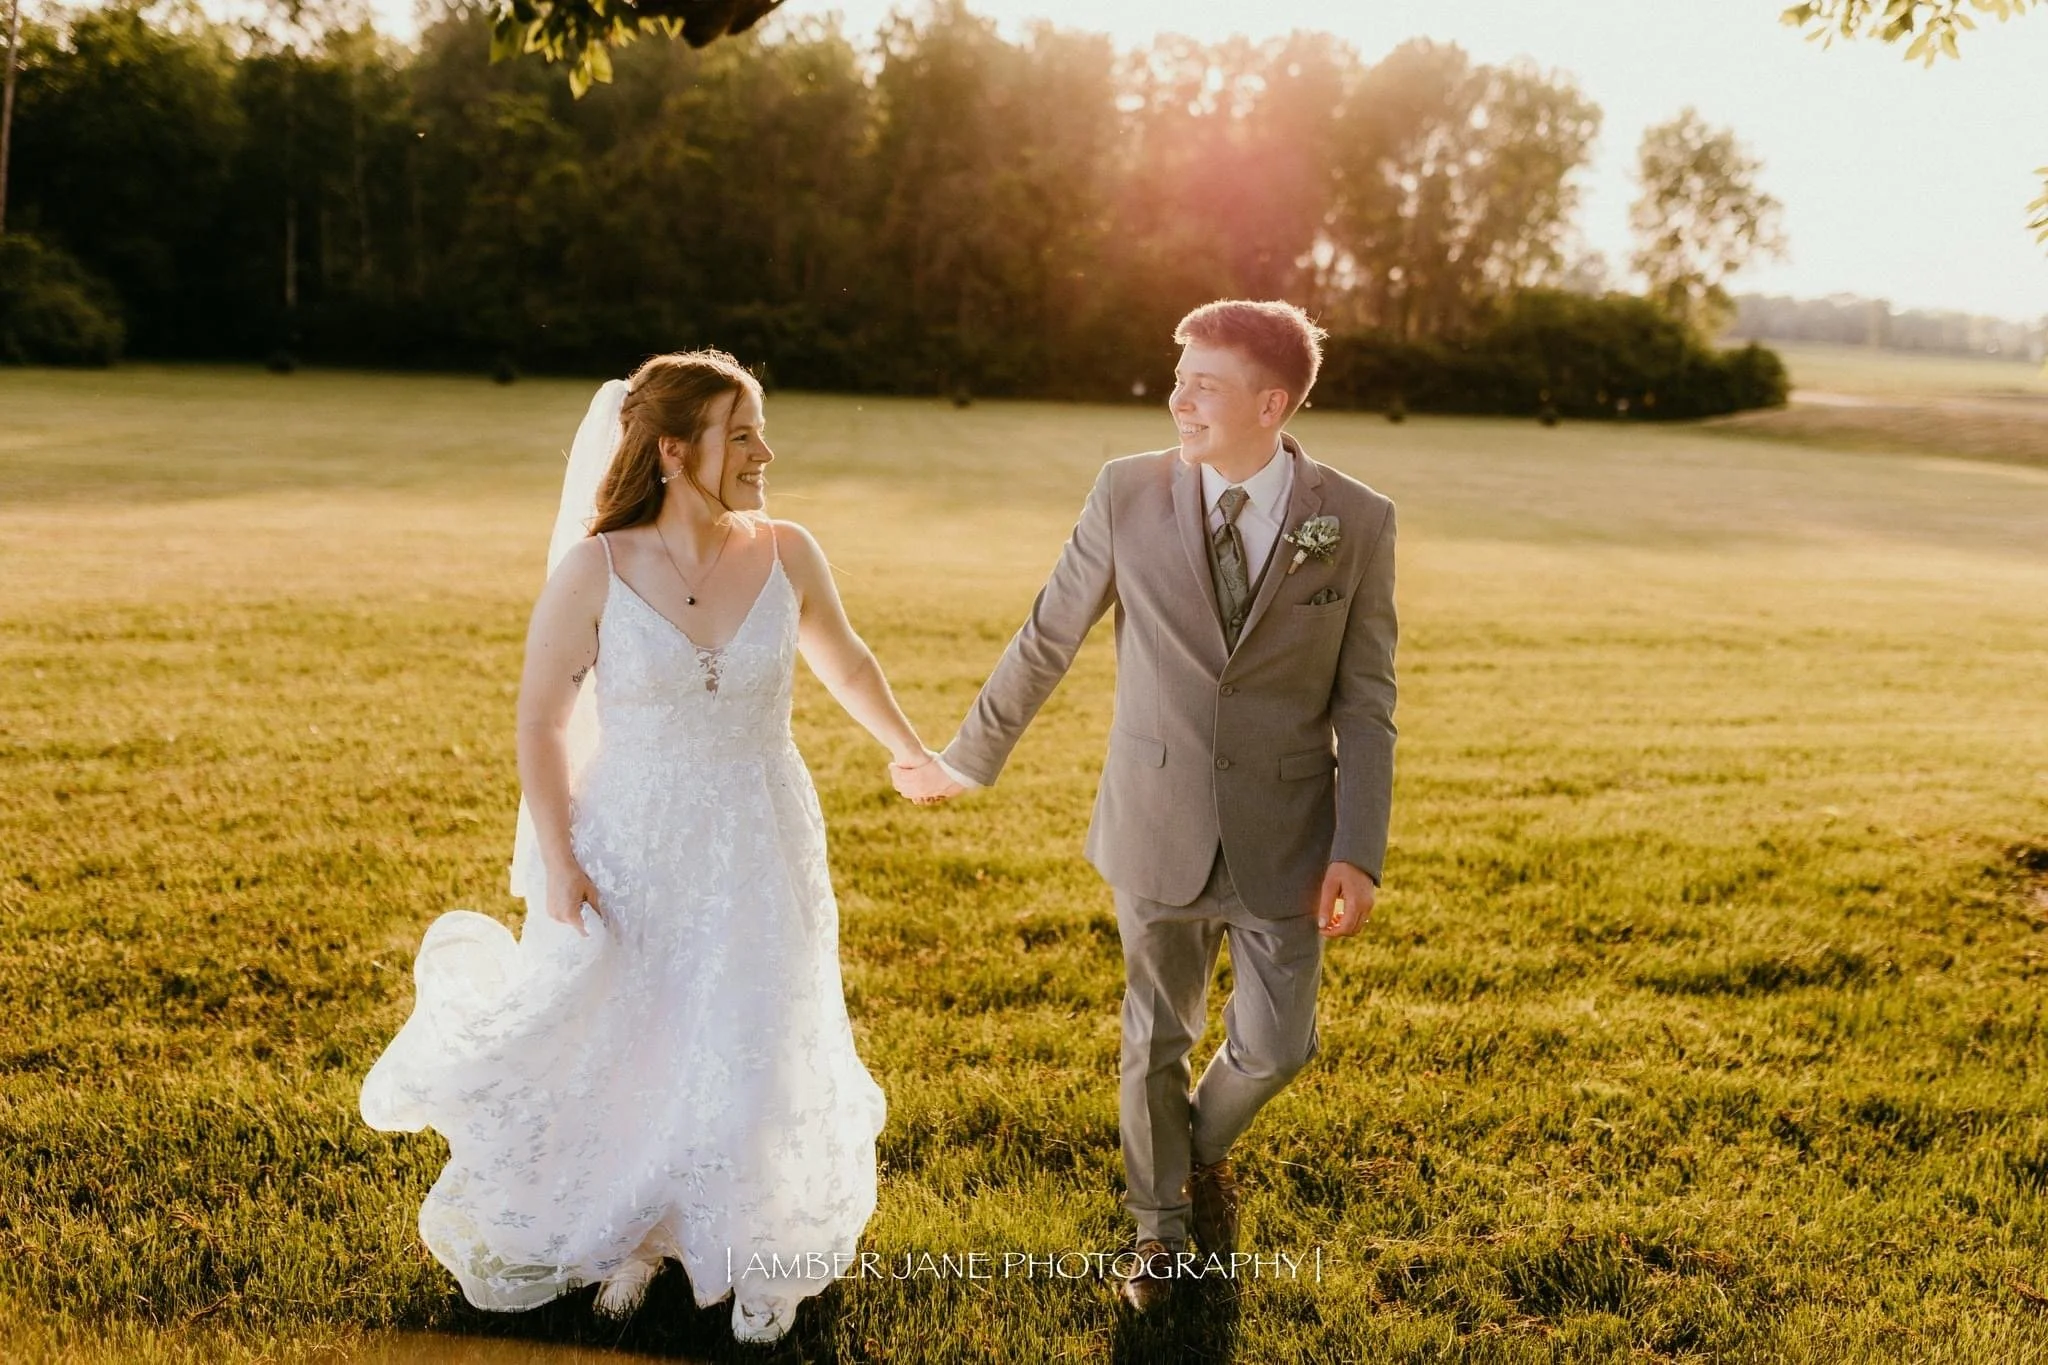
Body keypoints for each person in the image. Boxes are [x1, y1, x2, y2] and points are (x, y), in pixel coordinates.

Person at [362, 350, 926, 1345]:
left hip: (761, 834)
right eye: (740, 433)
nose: (763, 451)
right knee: (637, 1032)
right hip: (632, 839)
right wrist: (561, 858)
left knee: (748, 1030)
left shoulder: (789, 552)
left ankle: (727, 1233)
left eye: (757, 430)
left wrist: (912, 752)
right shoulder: (598, 567)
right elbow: (540, 720)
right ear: (674, 451)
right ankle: (629, 1239)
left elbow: (844, 659)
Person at [894, 300, 1399, 1313]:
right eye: (1178, 376)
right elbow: (1047, 636)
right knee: (1153, 1036)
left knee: (1275, 1045)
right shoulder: (1124, 492)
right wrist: (969, 757)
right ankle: (1157, 1230)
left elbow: (1366, 696)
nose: (1177, 398)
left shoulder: (1354, 519)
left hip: (1286, 834)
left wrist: (1359, 848)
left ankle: (1186, 1141)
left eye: (1202, 383)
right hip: (1153, 816)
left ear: (1271, 401)